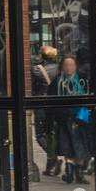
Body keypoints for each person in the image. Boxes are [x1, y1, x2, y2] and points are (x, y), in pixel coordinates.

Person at [49, 55, 92, 184]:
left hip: (80, 118)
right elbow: (52, 100)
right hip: (64, 117)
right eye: (66, 65)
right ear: (62, 66)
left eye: (71, 65)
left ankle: (78, 174)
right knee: (67, 144)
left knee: (79, 145)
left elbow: (89, 96)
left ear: (76, 66)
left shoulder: (83, 79)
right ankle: (69, 172)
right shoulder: (57, 81)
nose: (69, 68)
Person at [32, 45, 60, 175]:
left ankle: (53, 156)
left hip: (42, 105)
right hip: (56, 105)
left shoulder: (39, 70)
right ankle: (50, 165)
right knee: (51, 134)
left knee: (40, 135)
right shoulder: (60, 69)